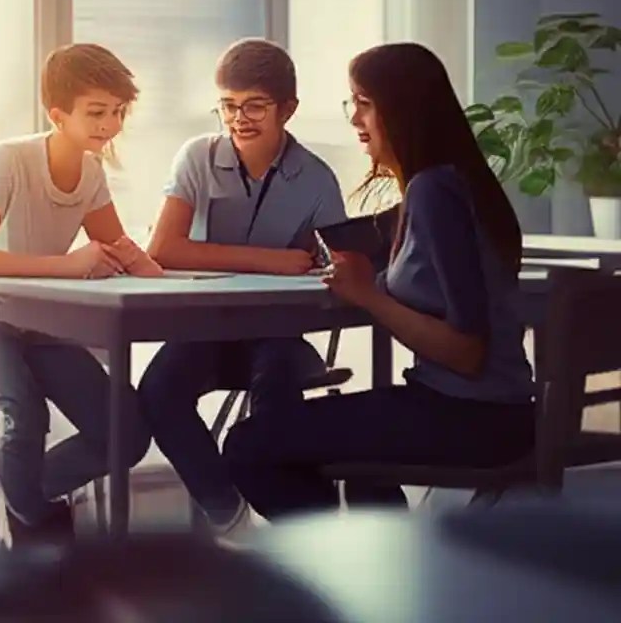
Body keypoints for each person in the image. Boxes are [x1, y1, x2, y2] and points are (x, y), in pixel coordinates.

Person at [223, 42, 536, 518]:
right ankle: (376, 565)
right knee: (358, 464)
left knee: (250, 443)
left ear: (402, 109)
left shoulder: (433, 192)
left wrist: (369, 295)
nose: (354, 121)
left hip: (470, 415)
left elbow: (468, 352)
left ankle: (341, 571)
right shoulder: (451, 185)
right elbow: (378, 236)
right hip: (495, 411)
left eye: (364, 105)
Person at [0, 43, 160, 543]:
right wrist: (67, 267)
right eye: (96, 112)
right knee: (24, 406)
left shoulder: (92, 172)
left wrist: (143, 264)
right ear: (58, 114)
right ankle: (36, 525)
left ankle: (32, 495)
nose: (109, 125)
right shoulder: (6, 159)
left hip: (34, 327)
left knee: (126, 431)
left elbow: (114, 249)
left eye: (118, 112)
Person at [138, 38, 348, 535]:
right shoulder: (196, 156)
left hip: (278, 335)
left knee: (276, 397)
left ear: (288, 109)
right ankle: (229, 516)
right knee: (156, 392)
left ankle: (304, 528)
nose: (238, 118)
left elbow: (342, 265)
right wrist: (274, 261)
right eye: (228, 106)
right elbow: (163, 249)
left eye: (254, 105)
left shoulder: (316, 178)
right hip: (205, 331)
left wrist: (314, 265)